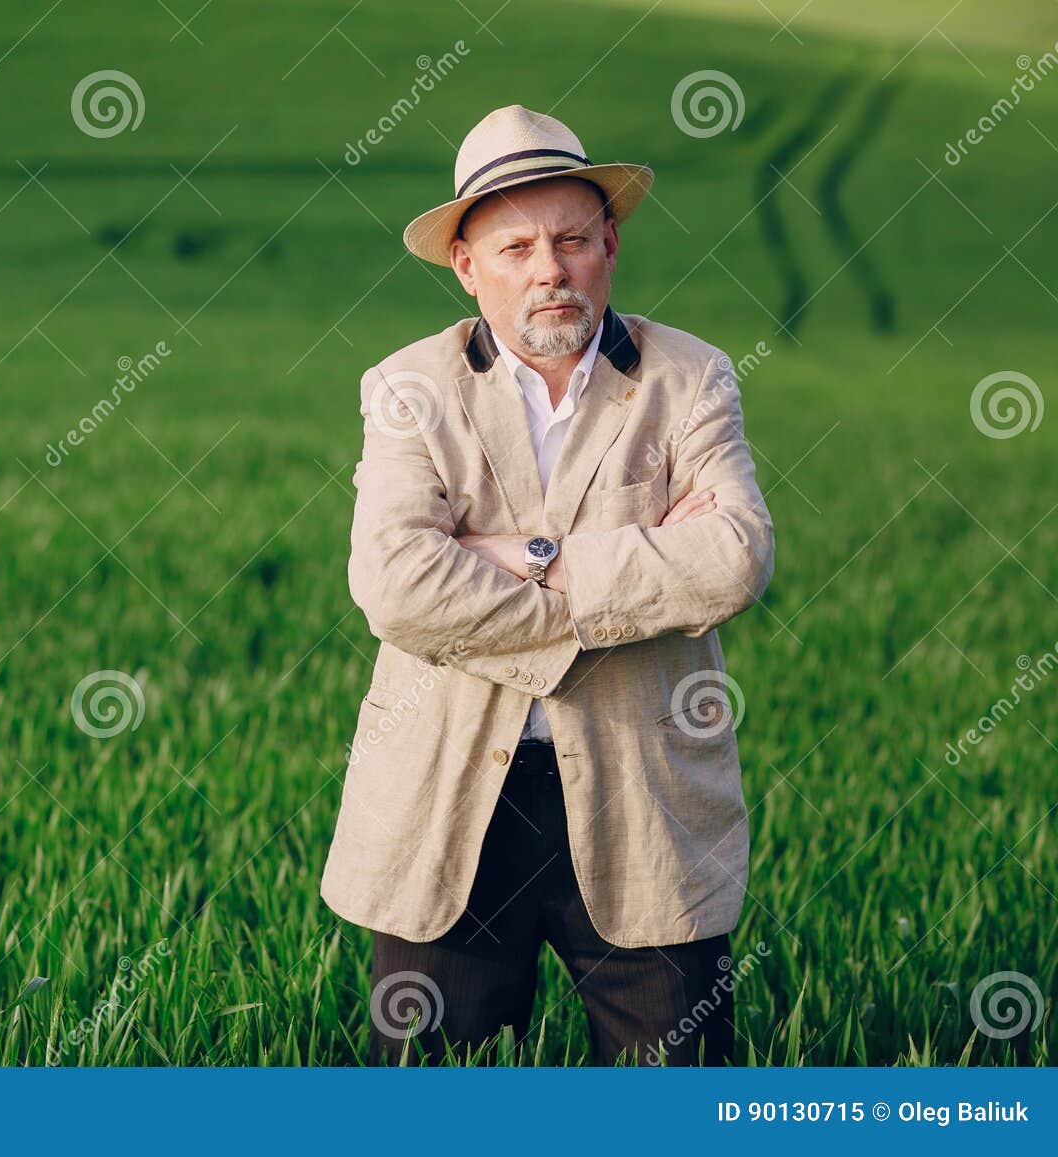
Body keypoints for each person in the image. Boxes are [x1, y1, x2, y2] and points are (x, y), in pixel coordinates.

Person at [319, 105, 775, 1066]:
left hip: (646, 796)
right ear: (466, 265)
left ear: (610, 243)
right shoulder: (407, 387)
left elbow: (734, 556)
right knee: (434, 1094)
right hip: (447, 796)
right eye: (516, 247)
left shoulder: (690, 378)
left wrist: (515, 555)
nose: (549, 270)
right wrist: (638, 565)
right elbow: (395, 586)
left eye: (571, 240)